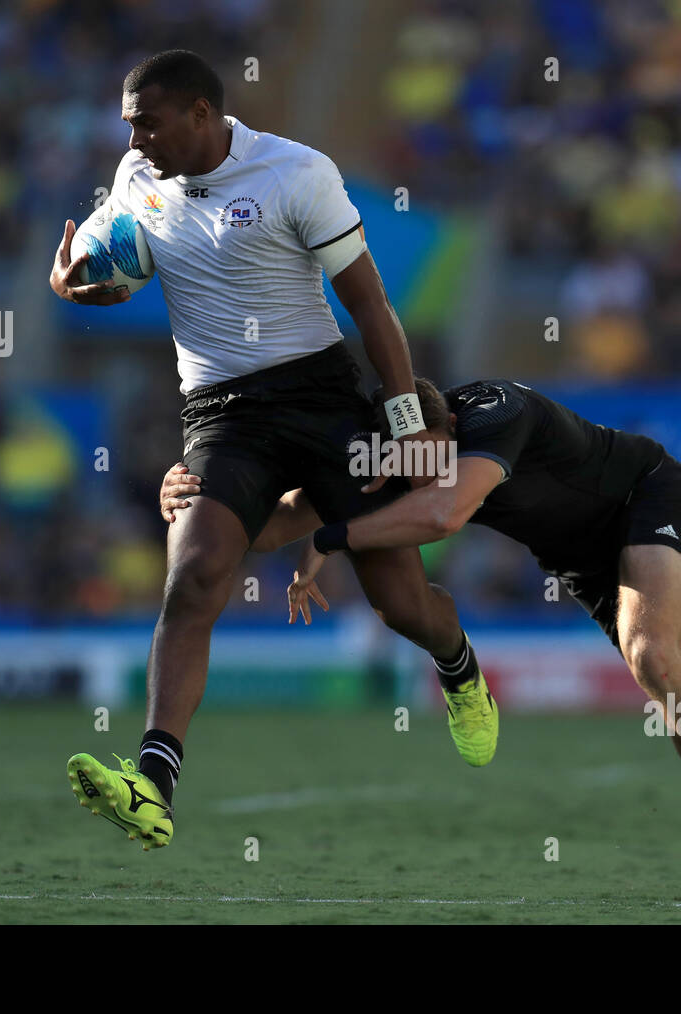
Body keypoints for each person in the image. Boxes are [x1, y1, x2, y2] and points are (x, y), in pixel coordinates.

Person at [50, 51, 497, 852]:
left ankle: (459, 666)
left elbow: (368, 299)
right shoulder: (136, 179)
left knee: (400, 603)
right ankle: (153, 785)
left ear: (200, 114)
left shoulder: (295, 172)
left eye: (148, 121)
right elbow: (124, 266)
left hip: (324, 399)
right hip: (222, 414)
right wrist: (77, 285)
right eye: (129, 125)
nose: (135, 137)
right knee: (193, 575)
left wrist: (407, 423)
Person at [159, 377, 681, 897]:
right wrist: (196, 498)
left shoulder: (495, 412)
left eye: (424, 458)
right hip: (583, 559)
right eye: (400, 464)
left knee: (654, 657)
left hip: (646, 495)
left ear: (450, 427)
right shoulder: (388, 448)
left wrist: (334, 537)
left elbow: (446, 512)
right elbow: (274, 524)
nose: (410, 474)